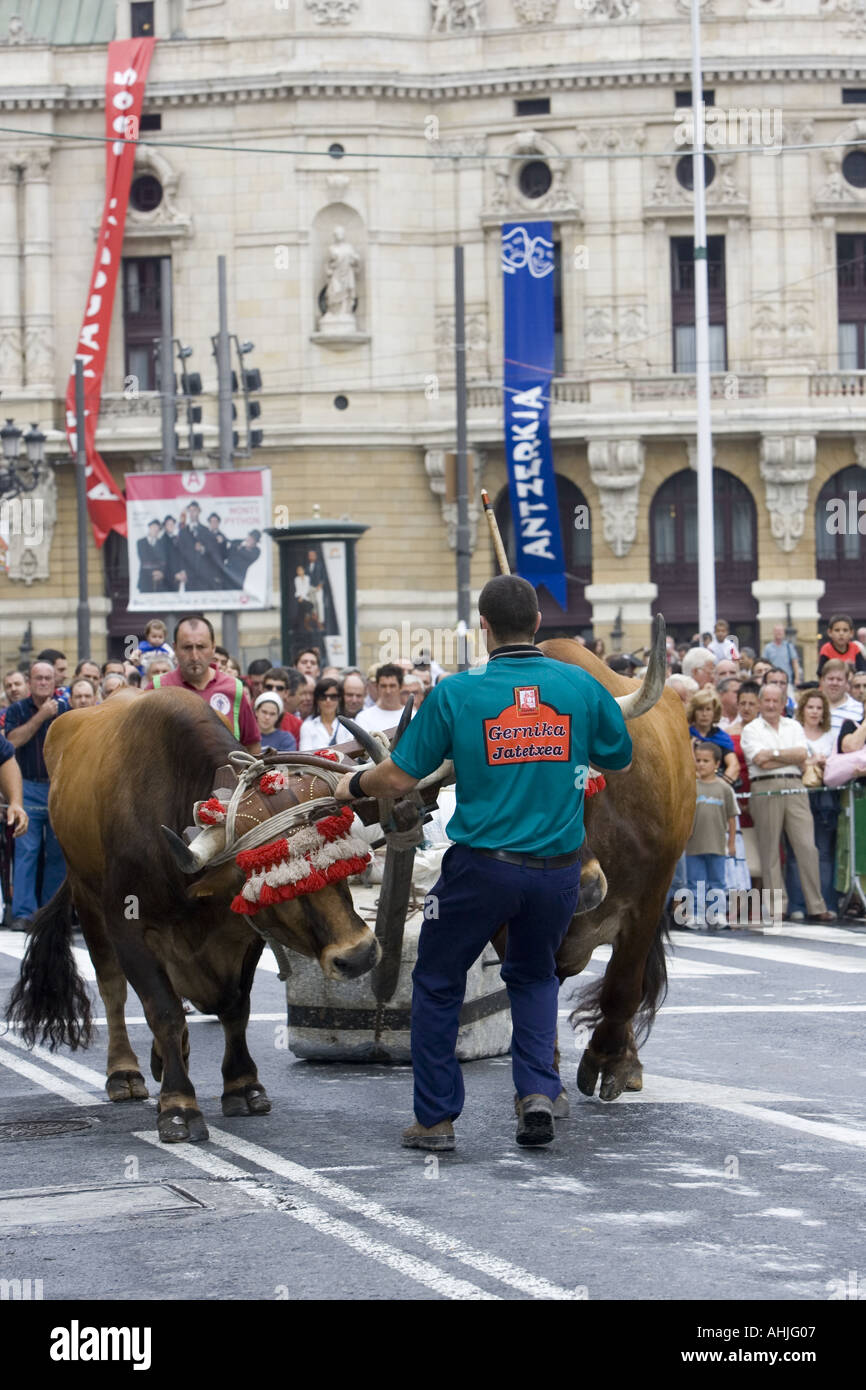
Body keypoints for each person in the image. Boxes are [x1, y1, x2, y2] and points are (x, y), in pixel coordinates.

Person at [334, 574, 633, 1153]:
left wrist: (352, 785)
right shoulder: (577, 684)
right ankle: (538, 1095)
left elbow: (399, 777)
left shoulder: (458, 691)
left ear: (483, 626)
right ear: (539, 624)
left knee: (439, 981)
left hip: (481, 869)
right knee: (535, 974)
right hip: (557, 872)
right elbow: (616, 756)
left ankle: (437, 1119)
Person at [740, 684, 834, 922]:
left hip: (795, 786)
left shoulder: (793, 726)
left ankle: (816, 904)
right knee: (769, 849)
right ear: (761, 703)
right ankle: (777, 907)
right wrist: (785, 755)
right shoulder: (751, 729)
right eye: (767, 700)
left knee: (807, 847)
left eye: (776, 701)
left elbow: (802, 754)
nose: (771, 705)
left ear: (783, 704)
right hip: (764, 786)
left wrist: (772, 754)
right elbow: (759, 761)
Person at [3, 660, 69, 931]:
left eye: (47, 678)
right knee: (27, 849)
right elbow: (11, 743)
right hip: (27, 785)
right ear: (29, 683)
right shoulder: (17, 710)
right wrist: (41, 716)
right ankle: (23, 912)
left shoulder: (66, 709)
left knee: (57, 852)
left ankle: (50, 913)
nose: (42, 682)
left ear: (55, 682)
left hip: (58, 786)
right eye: (38, 678)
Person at [147, 614, 261, 754]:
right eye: (187, 648)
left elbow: (252, 746)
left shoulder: (234, 688)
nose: (194, 656)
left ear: (213, 648)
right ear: (175, 649)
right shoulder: (157, 688)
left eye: (201, 647)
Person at [785, 690, 839, 921]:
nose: (815, 711)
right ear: (802, 709)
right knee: (797, 852)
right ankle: (797, 903)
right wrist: (807, 761)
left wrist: (827, 763)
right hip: (798, 792)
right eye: (811, 707)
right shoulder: (793, 732)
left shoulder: (831, 735)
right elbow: (789, 760)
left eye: (819, 708)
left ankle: (825, 902)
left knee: (823, 852)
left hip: (825, 797)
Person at [682, 742, 737, 929]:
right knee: (695, 882)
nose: (701, 764)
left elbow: (731, 818)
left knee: (717, 882)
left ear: (717, 764)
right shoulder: (690, 787)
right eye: (698, 760)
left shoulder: (724, 789)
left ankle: (717, 914)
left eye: (706, 761)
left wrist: (731, 843)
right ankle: (695, 914)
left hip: (717, 845)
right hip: (694, 845)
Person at [686, 689, 740, 783]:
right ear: (693, 712)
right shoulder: (685, 735)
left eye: (708, 709)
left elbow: (734, 766)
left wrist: (718, 786)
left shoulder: (722, 737)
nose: (704, 714)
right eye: (700, 709)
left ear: (715, 712)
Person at [353, 664, 408, 736]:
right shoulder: (363, 718)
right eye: (383, 686)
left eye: (392, 686)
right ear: (377, 687)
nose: (388, 691)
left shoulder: (413, 716)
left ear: (401, 686)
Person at [299, 677, 353, 750]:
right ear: (317, 700)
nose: (328, 700)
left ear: (339, 699)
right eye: (323, 697)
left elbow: (354, 754)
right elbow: (305, 756)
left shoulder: (350, 724)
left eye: (333, 696)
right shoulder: (307, 727)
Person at [820, 659, 864, 735]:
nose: (834, 683)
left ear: (847, 682)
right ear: (822, 680)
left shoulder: (860, 710)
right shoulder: (808, 707)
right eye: (831, 679)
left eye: (839, 679)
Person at [136, 519, 167, 593]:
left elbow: (163, 560)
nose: (156, 530)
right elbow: (144, 559)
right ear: (149, 527)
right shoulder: (140, 542)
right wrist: (153, 572)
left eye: (158, 529)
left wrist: (161, 573)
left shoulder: (161, 543)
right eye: (154, 527)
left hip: (159, 581)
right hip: (145, 580)